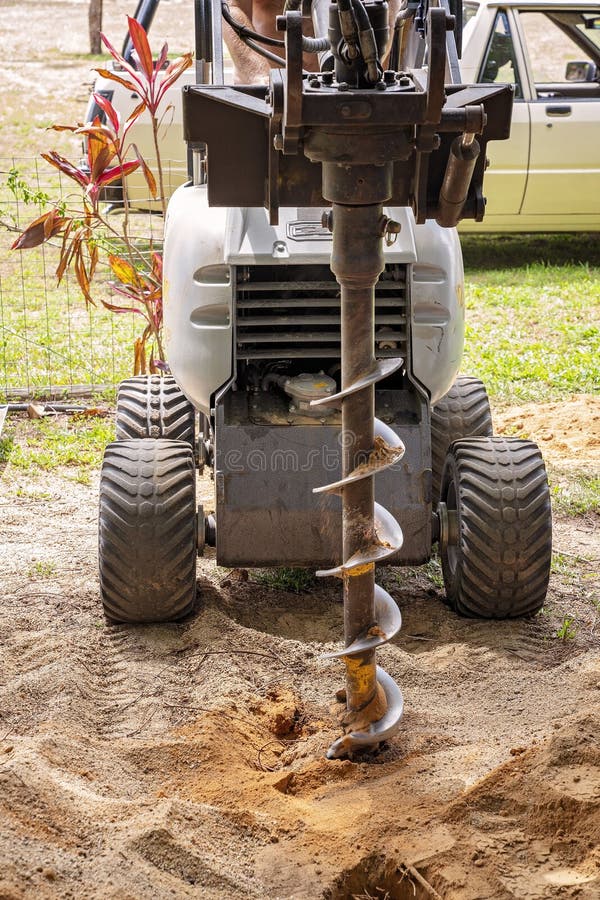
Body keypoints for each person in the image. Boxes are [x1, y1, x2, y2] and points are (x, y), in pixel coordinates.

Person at [223, 0, 399, 83]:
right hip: (271, 91)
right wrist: (259, 75)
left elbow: (388, 8)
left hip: (351, 86)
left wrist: (368, 67)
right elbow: (232, 9)